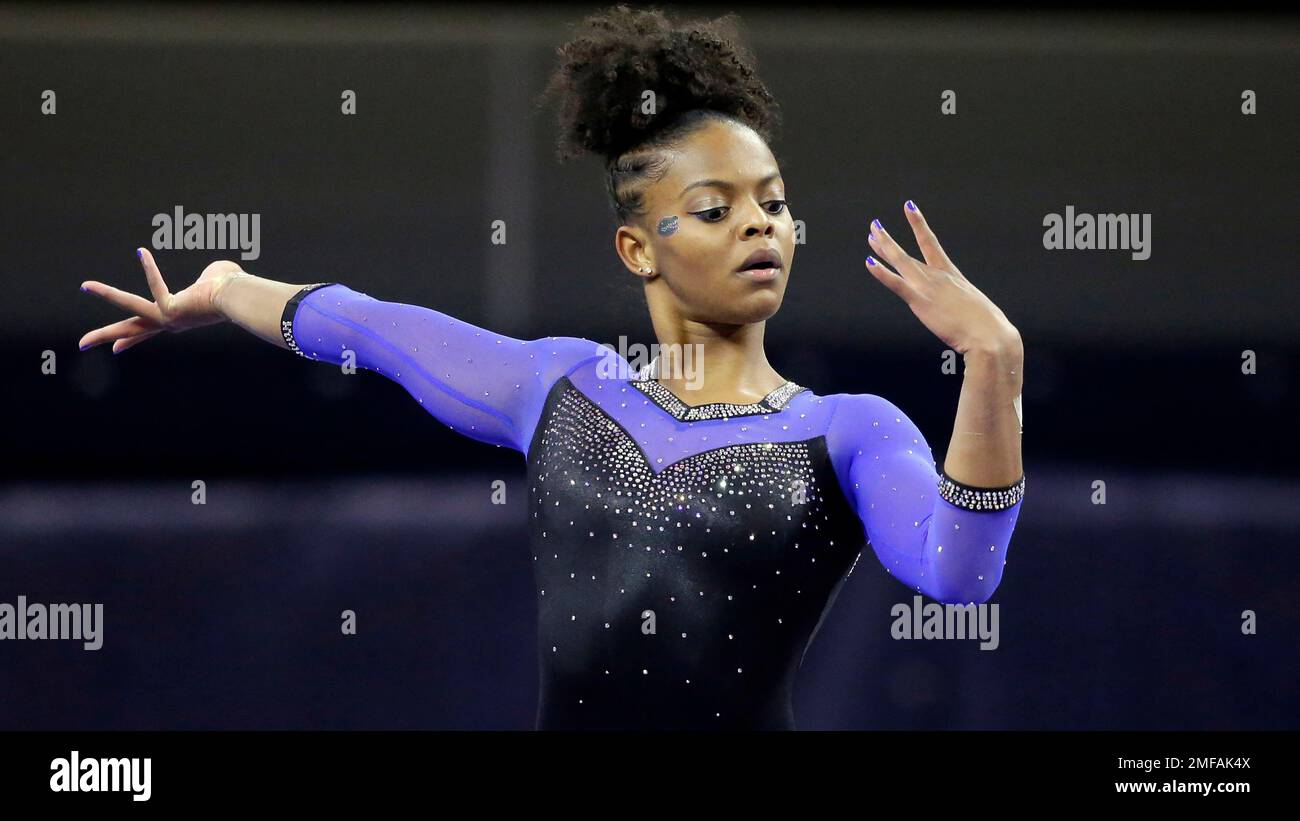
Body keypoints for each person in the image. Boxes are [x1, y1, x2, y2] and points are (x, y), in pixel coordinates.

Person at [77, 4, 1025, 730]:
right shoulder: (565, 389)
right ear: (638, 248)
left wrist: (992, 362)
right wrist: (225, 285)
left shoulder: (847, 430)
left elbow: (960, 572)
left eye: (773, 204)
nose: (758, 226)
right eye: (715, 209)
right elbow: (370, 326)